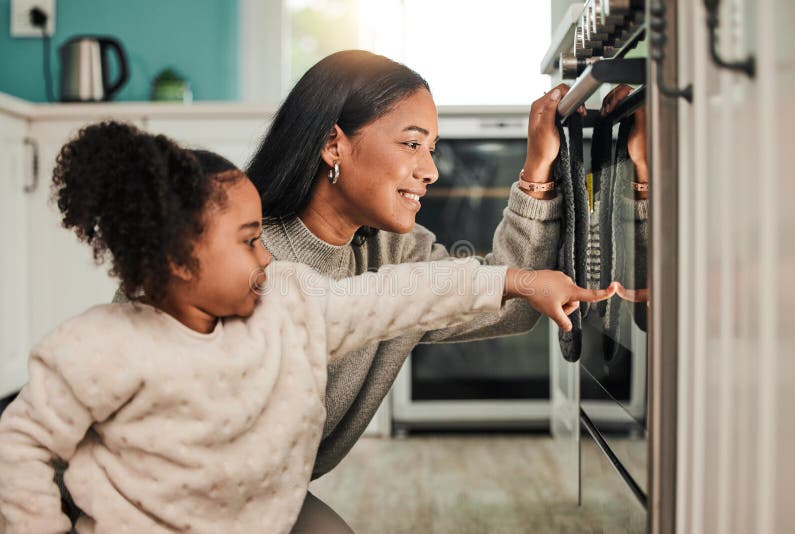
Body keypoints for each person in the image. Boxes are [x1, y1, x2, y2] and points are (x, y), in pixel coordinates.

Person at [0, 122, 613, 533]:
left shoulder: (287, 300)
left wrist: (517, 280)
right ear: (179, 261)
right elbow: (21, 445)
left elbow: (398, 294)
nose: (266, 253)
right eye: (248, 241)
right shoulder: (97, 346)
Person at [245, 49, 579, 531]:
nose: (431, 170)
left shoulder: (395, 252)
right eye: (411, 144)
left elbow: (511, 305)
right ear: (333, 145)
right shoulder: (241, 253)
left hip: (274, 491)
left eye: (432, 148)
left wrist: (538, 170)